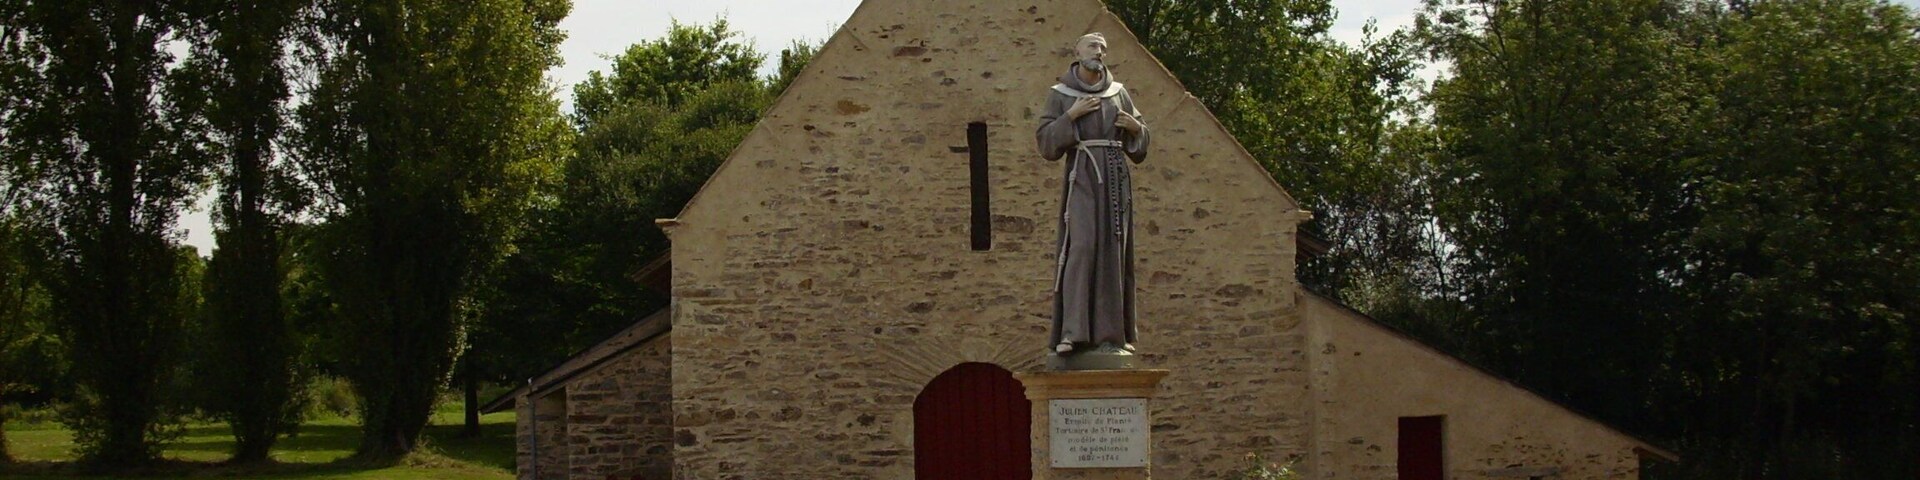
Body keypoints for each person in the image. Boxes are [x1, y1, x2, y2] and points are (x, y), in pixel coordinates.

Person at [1035, 32, 1150, 355]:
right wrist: (1071, 115)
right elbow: (1045, 142)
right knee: (1081, 247)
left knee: (1113, 252)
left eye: (1102, 48)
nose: (1098, 52)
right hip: (1083, 175)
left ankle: (1111, 337)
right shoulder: (1060, 95)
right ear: (1077, 52)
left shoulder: (1118, 94)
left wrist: (1136, 129)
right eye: (1092, 46)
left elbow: (1141, 142)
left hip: (1114, 176)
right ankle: (1072, 332)